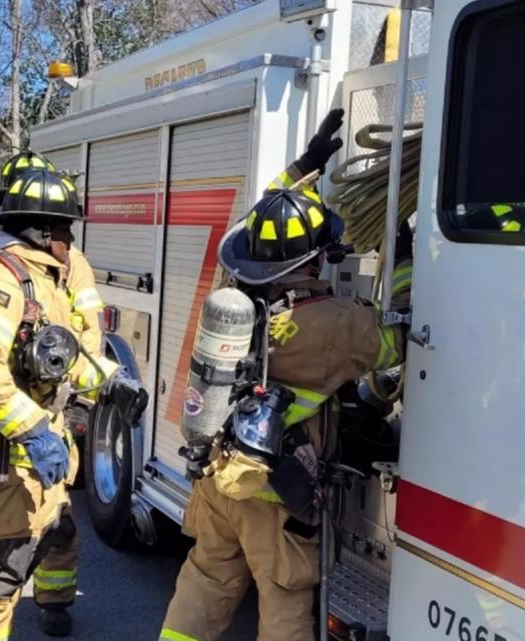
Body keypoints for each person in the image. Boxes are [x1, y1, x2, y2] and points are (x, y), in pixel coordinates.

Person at [157, 109, 413, 641]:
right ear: (320, 257)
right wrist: (407, 262)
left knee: (205, 583)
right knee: (285, 604)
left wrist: (302, 168)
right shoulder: (337, 324)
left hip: (220, 477)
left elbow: (257, 225)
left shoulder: (237, 296)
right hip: (276, 499)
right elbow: (400, 343)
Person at [0, 167, 145, 641]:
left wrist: (111, 384)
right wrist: (32, 430)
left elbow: (64, 357)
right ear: (44, 231)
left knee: (45, 534)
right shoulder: (1, 282)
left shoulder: (44, 280)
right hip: (2, 451)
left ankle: (39, 605)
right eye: (68, 229)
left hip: (28, 448)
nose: (73, 241)